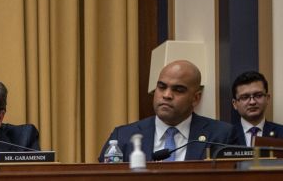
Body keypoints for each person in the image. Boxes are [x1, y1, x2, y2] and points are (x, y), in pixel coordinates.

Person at [100, 60, 234, 162]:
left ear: (195, 98)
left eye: (178, 90)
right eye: (161, 87)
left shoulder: (221, 136)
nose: (167, 95)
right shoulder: (122, 136)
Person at [229, 70, 283, 146]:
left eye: (258, 95)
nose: (252, 102)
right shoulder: (225, 136)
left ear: (267, 98)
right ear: (235, 104)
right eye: (245, 97)